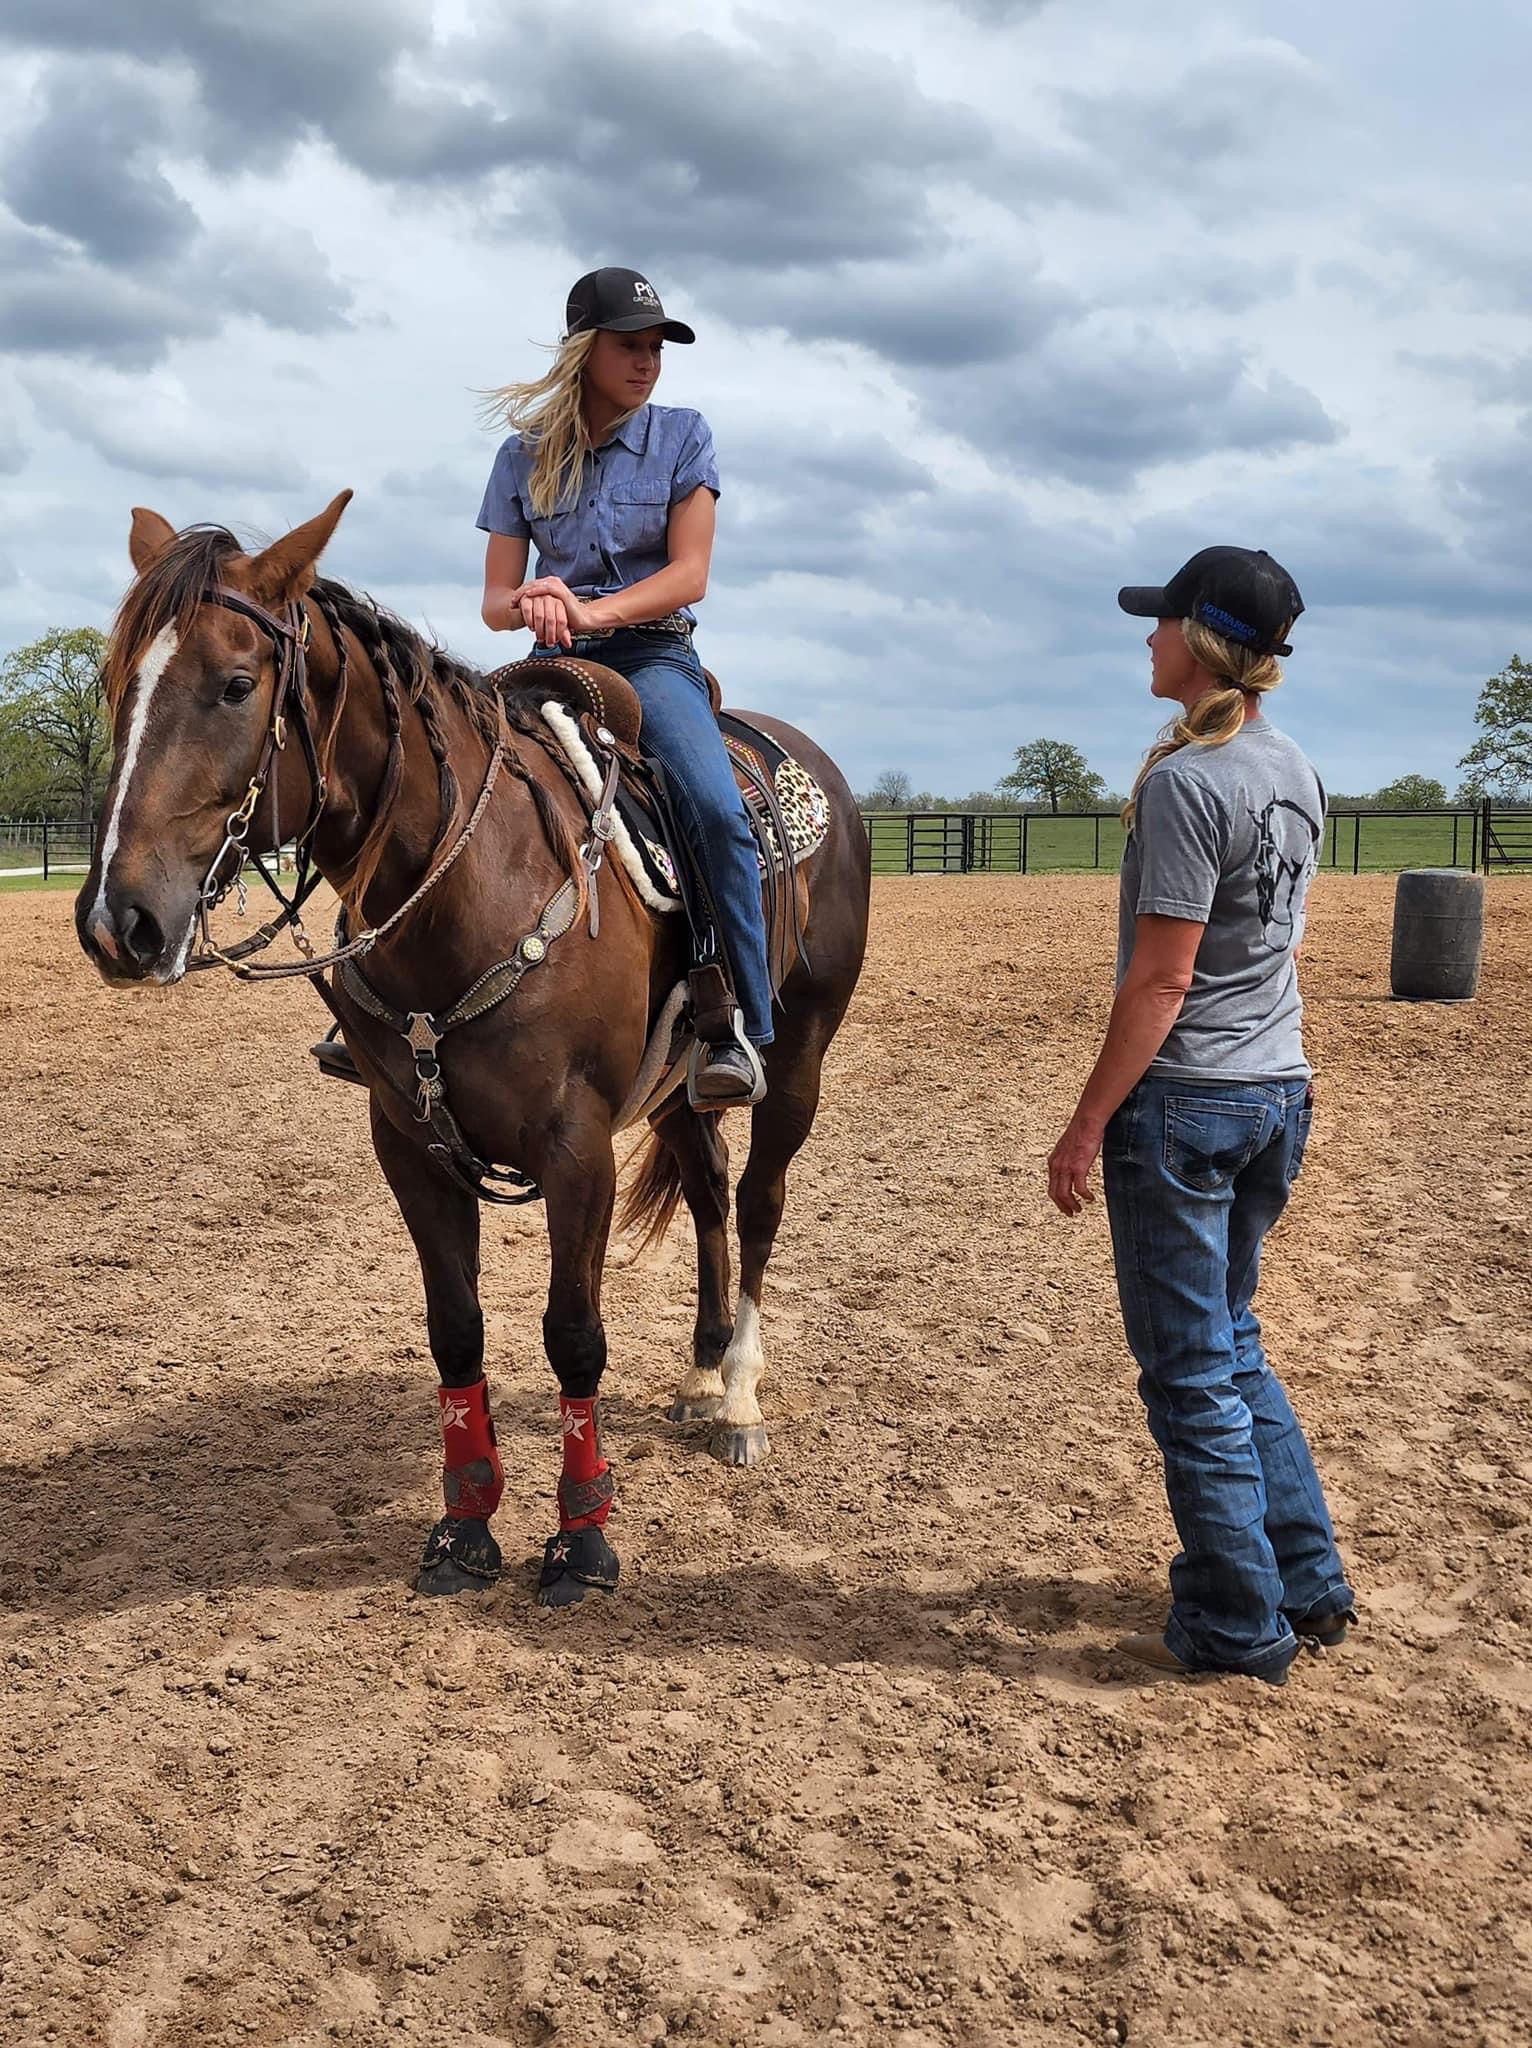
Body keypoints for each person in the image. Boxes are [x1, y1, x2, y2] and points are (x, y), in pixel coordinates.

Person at [1047, 546, 1355, 1686]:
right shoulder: (1296, 770)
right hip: (1277, 1085)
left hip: (1187, 1100)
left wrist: (1085, 1124)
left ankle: (1236, 1620)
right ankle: (1305, 1579)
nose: (1144, 638)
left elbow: (1160, 981)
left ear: (1202, 641)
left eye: (1160, 620)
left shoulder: (1188, 783)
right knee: (1233, 1342)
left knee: (1186, 1373)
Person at [477, 266, 772, 1106]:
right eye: (630, 346)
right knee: (436, 773)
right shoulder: (521, 456)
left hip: (650, 657)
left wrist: (590, 609)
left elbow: (690, 576)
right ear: (585, 351)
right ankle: (380, 994)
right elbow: (496, 601)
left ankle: (736, 1024)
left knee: (715, 809)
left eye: (655, 348)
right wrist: (531, 598)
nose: (648, 363)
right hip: (550, 659)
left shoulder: (683, 437)